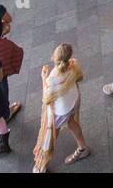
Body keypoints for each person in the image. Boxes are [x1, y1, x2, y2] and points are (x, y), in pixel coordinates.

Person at [32, 43, 90, 172]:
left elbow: (46, 98)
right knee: (72, 122)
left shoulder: (52, 78)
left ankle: (41, 164)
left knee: (50, 136)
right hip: (73, 100)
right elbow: (79, 77)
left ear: (55, 57)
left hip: (60, 110)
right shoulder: (74, 64)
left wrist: (43, 78)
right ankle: (83, 148)